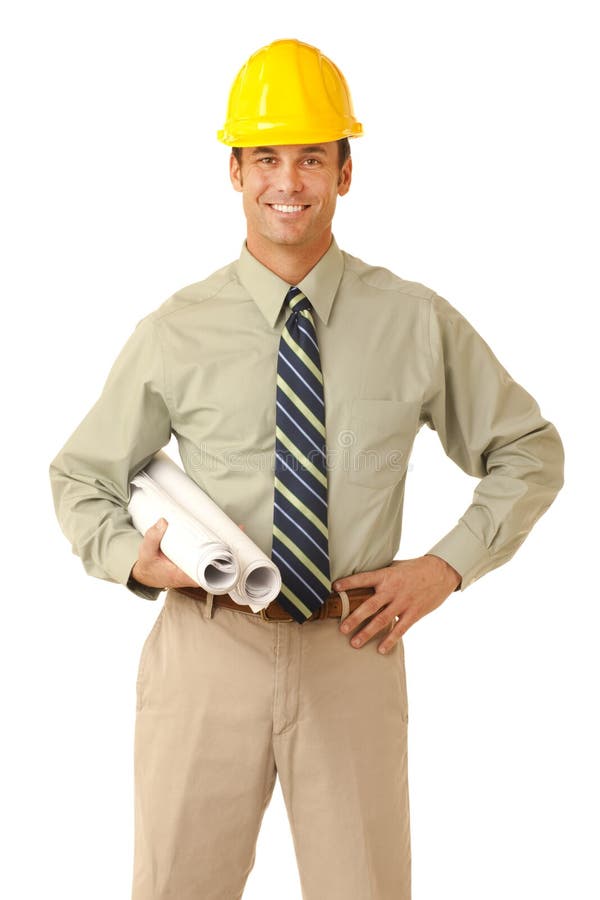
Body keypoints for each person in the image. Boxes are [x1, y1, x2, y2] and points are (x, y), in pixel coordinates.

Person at [49, 37, 564, 900]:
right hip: (206, 646)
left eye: (311, 158)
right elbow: (80, 474)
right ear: (235, 173)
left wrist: (445, 568)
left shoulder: (414, 321)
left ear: (345, 172)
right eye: (266, 158)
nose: (288, 181)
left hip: (352, 646)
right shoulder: (177, 329)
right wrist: (135, 559)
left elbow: (527, 450)